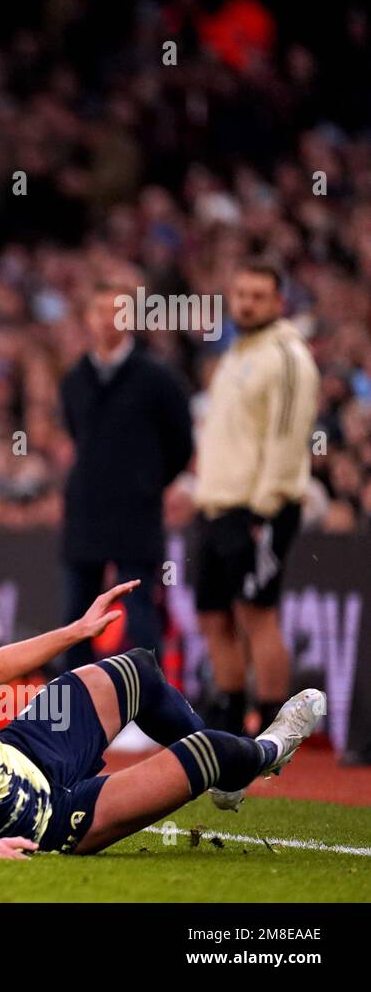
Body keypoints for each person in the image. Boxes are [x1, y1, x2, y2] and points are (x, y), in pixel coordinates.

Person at [0, 577, 324, 857]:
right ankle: (266, 753)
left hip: (23, 758)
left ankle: (228, 782)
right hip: (46, 822)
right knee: (210, 750)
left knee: (137, 670)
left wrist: (79, 629)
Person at [193, 264, 320, 744]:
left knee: (255, 613)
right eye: (241, 294)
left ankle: (274, 729)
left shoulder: (286, 356)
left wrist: (265, 509)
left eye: (258, 296)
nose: (246, 303)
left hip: (258, 507)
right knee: (212, 615)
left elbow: (287, 440)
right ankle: (228, 720)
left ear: (278, 302)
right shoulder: (233, 356)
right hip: (217, 508)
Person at [59, 282, 193, 668]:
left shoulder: (157, 378)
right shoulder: (75, 380)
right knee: (76, 617)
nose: (106, 321)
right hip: (84, 512)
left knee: (141, 616)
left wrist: (148, 482)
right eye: (99, 311)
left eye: (116, 312)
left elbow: (181, 442)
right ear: (87, 318)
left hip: (137, 513)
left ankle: (151, 706)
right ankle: (77, 708)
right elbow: (76, 434)